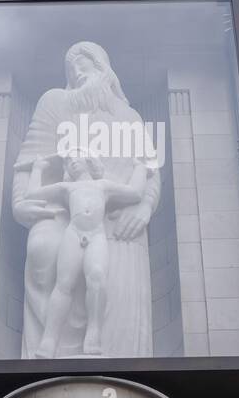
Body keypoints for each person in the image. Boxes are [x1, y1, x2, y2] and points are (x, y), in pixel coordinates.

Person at [19, 153, 147, 356]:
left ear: (90, 161)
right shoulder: (66, 187)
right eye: (68, 161)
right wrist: (38, 168)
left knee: (97, 277)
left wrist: (140, 168)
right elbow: (33, 193)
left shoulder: (103, 185)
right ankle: (49, 339)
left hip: (96, 235)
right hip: (73, 233)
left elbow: (135, 193)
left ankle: (93, 334)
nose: (72, 161)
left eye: (77, 157)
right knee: (64, 284)